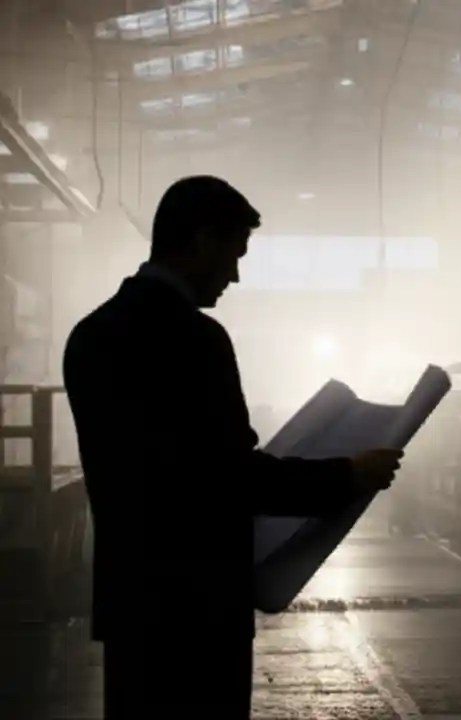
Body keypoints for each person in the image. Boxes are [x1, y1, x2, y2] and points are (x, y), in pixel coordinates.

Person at [62, 176, 404, 719]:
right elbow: (229, 478)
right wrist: (347, 474)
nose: (235, 276)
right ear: (202, 241)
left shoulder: (89, 336)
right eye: (234, 255)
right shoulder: (197, 341)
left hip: (132, 606)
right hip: (200, 609)